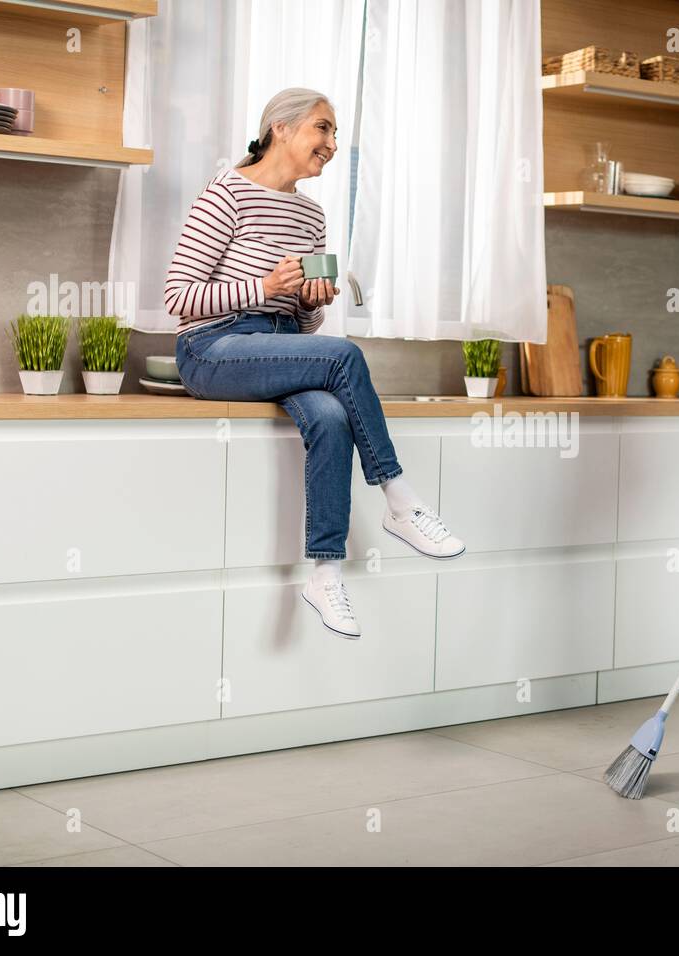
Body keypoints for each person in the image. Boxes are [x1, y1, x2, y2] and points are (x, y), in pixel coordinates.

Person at [166, 87, 465, 641]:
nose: (330, 143)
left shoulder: (311, 215)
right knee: (346, 356)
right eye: (322, 129)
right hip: (212, 349)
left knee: (329, 417)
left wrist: (309, 303)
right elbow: (178, 298)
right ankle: (399, 501)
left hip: (277, 346)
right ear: (281, 128)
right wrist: (261, 285)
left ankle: (324, 574)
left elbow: (304, 332)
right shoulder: (224, 194)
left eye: (333, 134)